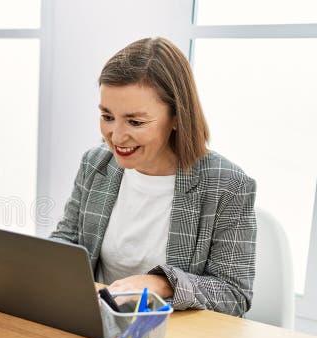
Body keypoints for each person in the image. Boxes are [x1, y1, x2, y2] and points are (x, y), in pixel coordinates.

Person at [51, 37, 256, 317]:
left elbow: (235, 294)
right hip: (97, 326)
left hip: (174, 337)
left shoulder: (227, 185)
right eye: (107, 116)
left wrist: (162, 283)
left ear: (176, 117)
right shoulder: (96, 163)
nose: (116, 136)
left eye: (135, 122)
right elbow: (67, 242)